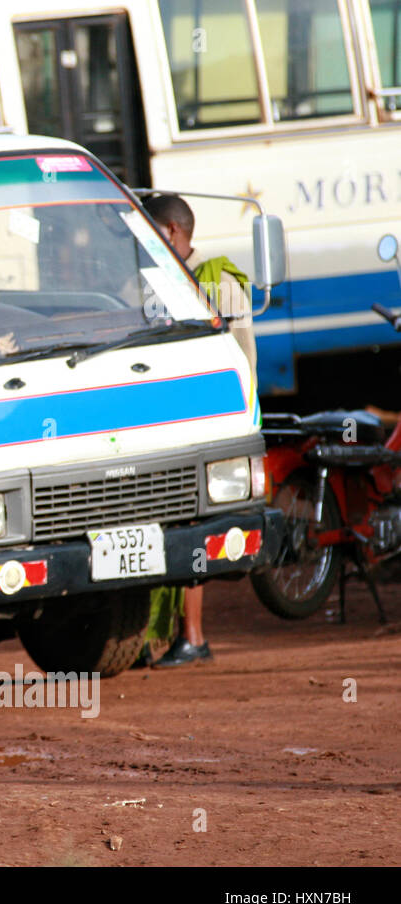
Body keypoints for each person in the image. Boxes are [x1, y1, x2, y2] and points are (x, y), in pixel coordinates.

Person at [140, 193, 258, 668]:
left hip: (211, 421)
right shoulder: (160, 280)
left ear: (171, 231)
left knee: (192, 524)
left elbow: (233, 356)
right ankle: (159, 638)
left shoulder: (218, 279)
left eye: (151, 233)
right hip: (166, 421)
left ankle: (194, 637)